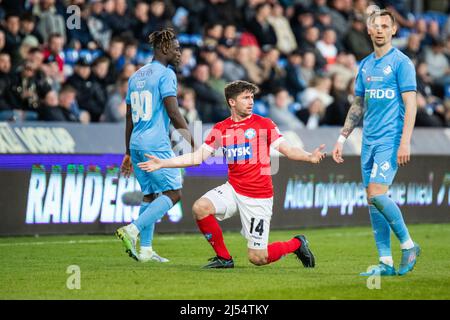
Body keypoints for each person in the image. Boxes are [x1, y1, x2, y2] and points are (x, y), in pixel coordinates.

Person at [137, 80, 326, 269]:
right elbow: (197, 157)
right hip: (233, 188)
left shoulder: (264, 124)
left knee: (258, 258)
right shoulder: (220, 128)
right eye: (245, 98)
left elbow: (289, 150)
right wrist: (163, 163)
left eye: (252, 97)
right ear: (232, 102)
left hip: (258, 196)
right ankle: (224, 258)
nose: (251, 101)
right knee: (200, 208)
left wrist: (309, 156)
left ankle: (297, 244)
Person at [332, 9, 420, 276]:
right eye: (376, 26)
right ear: (368, 31)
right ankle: (386, 263)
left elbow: (411, 104)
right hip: (368, 141)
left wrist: (405, 142)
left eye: (385, 25)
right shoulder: (366, 65)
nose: (380, 29)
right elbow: (358, 104)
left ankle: (408, 245)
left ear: (393, 30)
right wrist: (342, 137)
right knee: (373, 202)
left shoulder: (402, 63)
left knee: (376, 194)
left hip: (390, 139)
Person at [115, 28, 194, 263]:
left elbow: (129, 117)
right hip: (155, 143)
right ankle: (132, 229)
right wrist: (192, 141)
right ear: (164, 48)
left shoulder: (135, 76)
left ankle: (146, 251)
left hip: (137, 142)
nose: (179, 52)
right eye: (177, 48)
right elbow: (173, 111)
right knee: (174, 192)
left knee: (149, 195)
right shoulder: (166, 74)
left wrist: (128, 152)